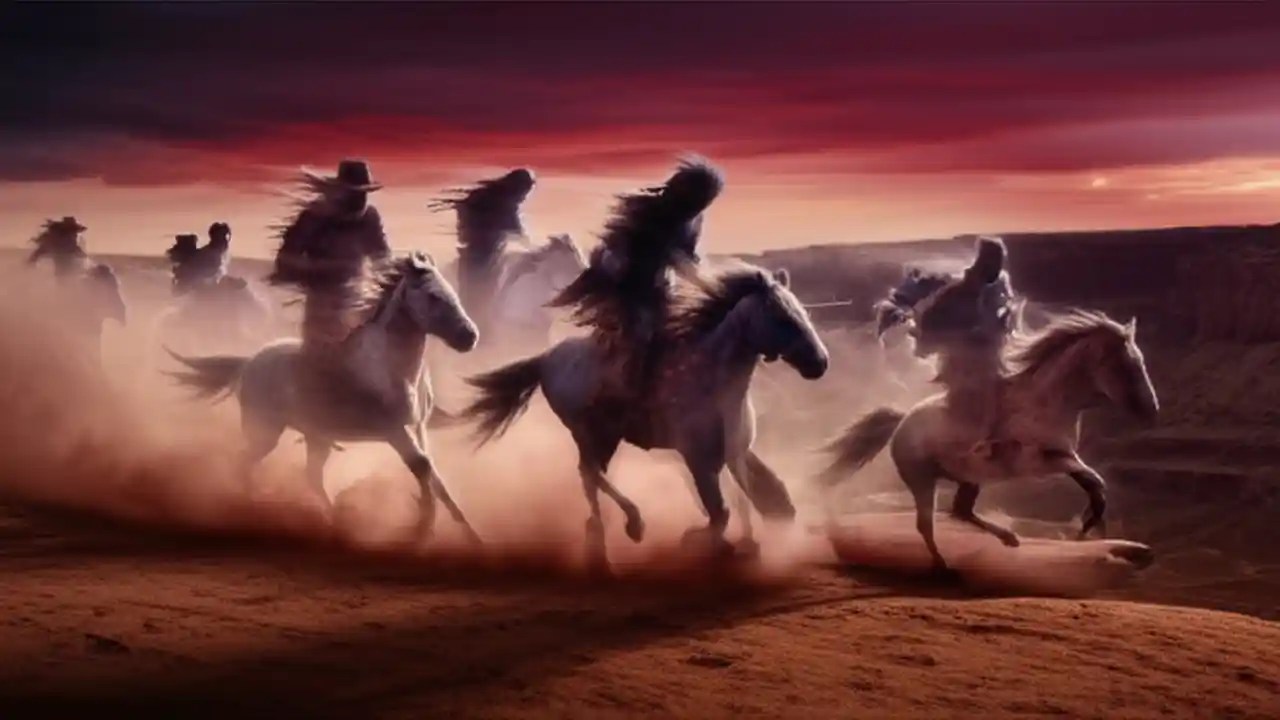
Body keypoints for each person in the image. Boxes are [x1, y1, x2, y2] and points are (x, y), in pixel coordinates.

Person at [550, 157, 724, 398]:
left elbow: (688, 256)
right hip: (631, 286)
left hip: (663, 285)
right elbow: (633, 253)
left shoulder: (694, 218)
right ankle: (620, 393)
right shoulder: (652, 212)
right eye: (701, 198)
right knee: (641, 335)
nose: (703, 204)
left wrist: (709, 285)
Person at [907, 236, 1021, 459]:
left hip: (996, 359)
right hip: (963, 366)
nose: (997, 268)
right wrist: (968, 335)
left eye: (999, 262)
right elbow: (929, 325)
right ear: (983, 263)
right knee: (981, 393)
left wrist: (1002, 326)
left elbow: (1004, 323)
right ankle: (978, 448)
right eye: (993, 262)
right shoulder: (955, 294)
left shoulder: (995, 292)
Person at [269, 159, 391, 365]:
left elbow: (381, 256)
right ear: (340, 193)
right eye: (354, 193)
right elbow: (286, 261)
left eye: (363, 194)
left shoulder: (370, 217)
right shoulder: (313, 218)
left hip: (361, 295)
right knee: (319, 360)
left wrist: (390, 281)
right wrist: (323, 272)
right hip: (322, 302)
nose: (359, 200)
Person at [431, 168, 535, 331]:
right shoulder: (505, 203)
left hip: (482, 250)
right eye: (526, 191)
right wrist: (532, 246)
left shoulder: (491, 198)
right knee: (482, 290)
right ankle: (479, 325)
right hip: (482, 254)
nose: (525, 196)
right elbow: (517, 231)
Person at [27, 216, 91, 281]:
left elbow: (39, 252)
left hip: (69, 274)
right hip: (67, 274)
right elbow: (40, 251)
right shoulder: (60, 241)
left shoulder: (58, 241)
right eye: (73, 231)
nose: (75, 235)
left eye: (74, 232)